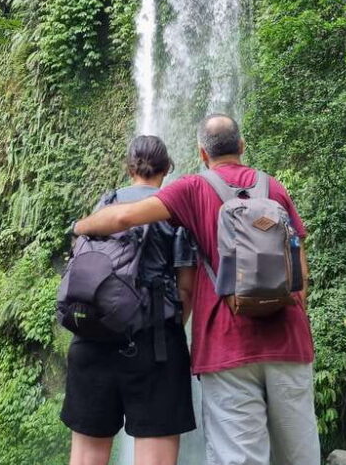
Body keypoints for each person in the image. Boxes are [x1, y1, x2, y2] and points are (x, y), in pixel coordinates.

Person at [74, 114, 321, 465]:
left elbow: (122, 218)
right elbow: (301, 270)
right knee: (299, 457)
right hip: (289, 342)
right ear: (242, 146)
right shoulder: (274, 187)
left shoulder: (192, 188)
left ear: (202, 154)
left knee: (239, 458)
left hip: (226, 346)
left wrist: (80, 225)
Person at [62, 135, 197, 465]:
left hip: (92, 335)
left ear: (130, 166)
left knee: (86, 457)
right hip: (155, 344)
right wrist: (169, 329)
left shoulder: (104, 205)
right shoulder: (173, 207)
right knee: (155, 457)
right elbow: (187, 288)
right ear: (167, 168)